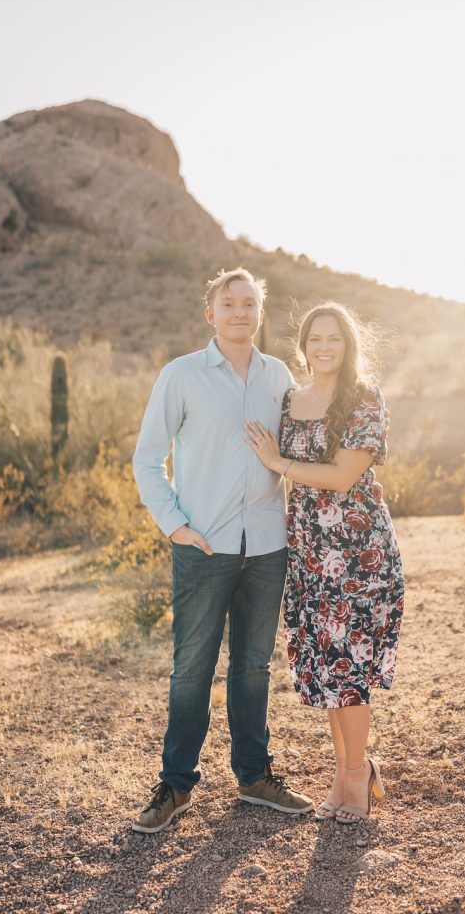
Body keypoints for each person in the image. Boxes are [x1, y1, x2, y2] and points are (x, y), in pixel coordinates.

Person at [130, 267, 314, 833]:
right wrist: (175, 525)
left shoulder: (279, 375)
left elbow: (303, 441)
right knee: (192, 669)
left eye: (250, 303)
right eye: (228, 303)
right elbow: (147, 458)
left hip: (265, 544)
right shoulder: (182, 376)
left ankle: (255, 777)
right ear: (210, 314)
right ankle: (176, 785)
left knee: (254, 665)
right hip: (202, 545)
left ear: (260, 314)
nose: (240, 312)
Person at [244, 302, 405, 824]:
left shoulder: (365, 400)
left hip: (359, 554)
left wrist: (278, 463)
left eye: (334, 338)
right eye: (315, 338)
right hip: (311, 551)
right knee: (329, 671)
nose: (324, 347)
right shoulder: (291, 401)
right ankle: (347, 773)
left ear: (348, 344)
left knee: (351, 668)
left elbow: (341, 477)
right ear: (304, 345)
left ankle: (356, 778)